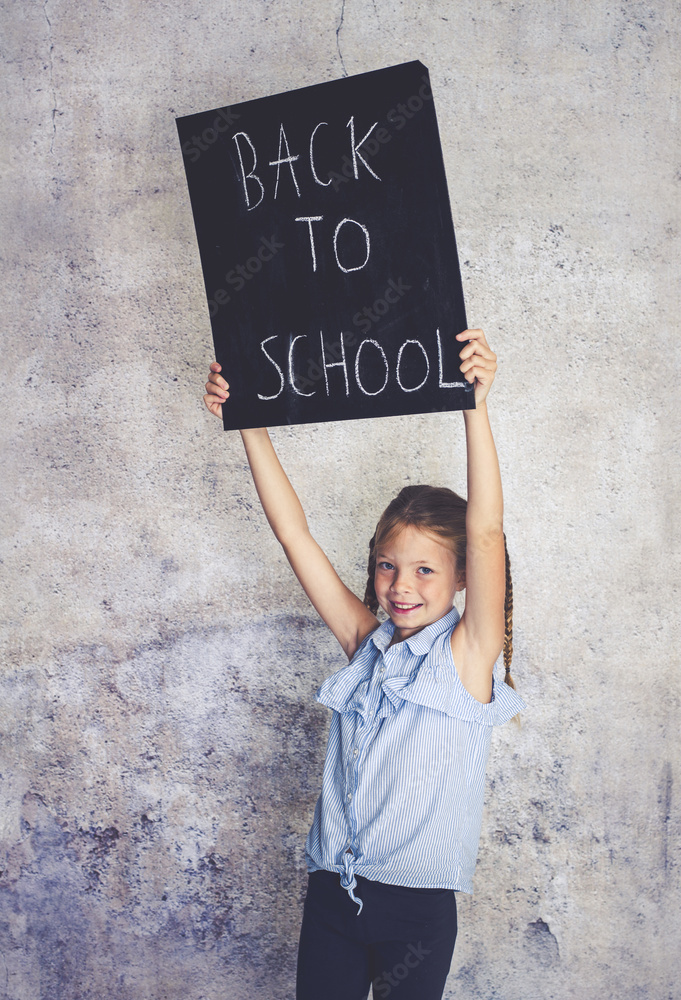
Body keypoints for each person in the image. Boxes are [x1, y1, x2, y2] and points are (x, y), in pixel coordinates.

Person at [203, 328, 524, 1000]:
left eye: (425, 570)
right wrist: (250, 423)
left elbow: (488, 530)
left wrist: (476, 405)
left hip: (417, 913)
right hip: (333, 900)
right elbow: (294, 535)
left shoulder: (467, 658)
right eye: (387, 565)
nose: (400, 585)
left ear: (463, 577)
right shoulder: (366, 645)